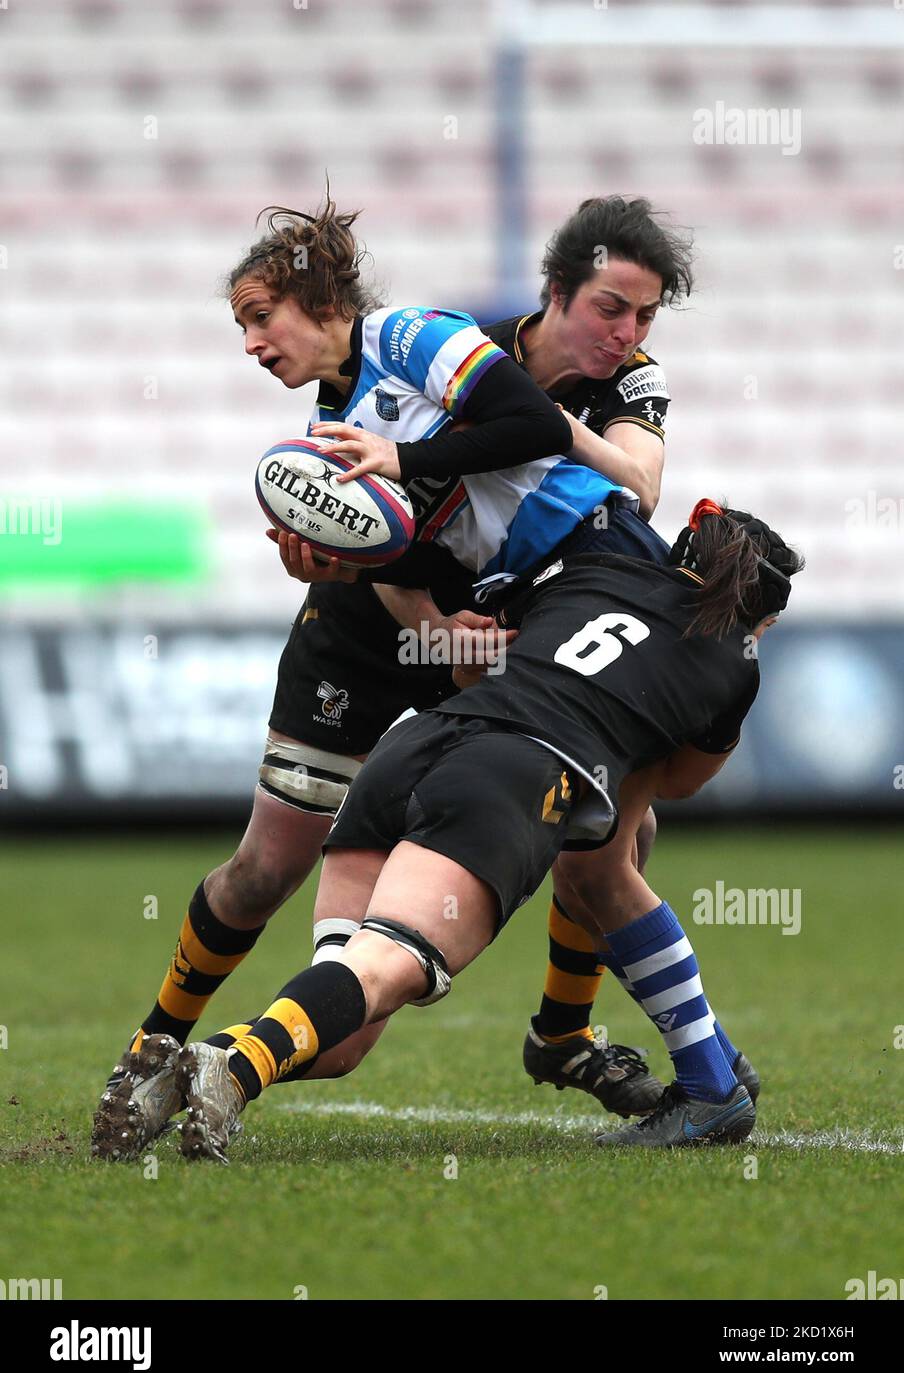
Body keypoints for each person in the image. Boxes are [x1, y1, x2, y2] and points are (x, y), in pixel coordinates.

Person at [91, 194, 693, 1159]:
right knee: (263, 871)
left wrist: (415, 481)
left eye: (259, 319)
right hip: (372, 633)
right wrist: (346, 566)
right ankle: (153, 1042)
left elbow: (621, 472)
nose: (628, 334)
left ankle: (564, 1031)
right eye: (611, 310)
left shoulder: (432, 343)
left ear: (310, 297)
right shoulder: (365, 401)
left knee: (617, 819)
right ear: (553, 297)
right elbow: (393, 545)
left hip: (490, 618)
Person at [158, 503, 803, 1161]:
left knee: (346, 1020)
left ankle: (171, 1067)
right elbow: (678, 782)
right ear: (762, 619)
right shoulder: (735, 660)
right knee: (383, 968)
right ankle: (231, 1072)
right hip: (507, 773)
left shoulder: (599, 563)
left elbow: (475, 662)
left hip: (416, 742)